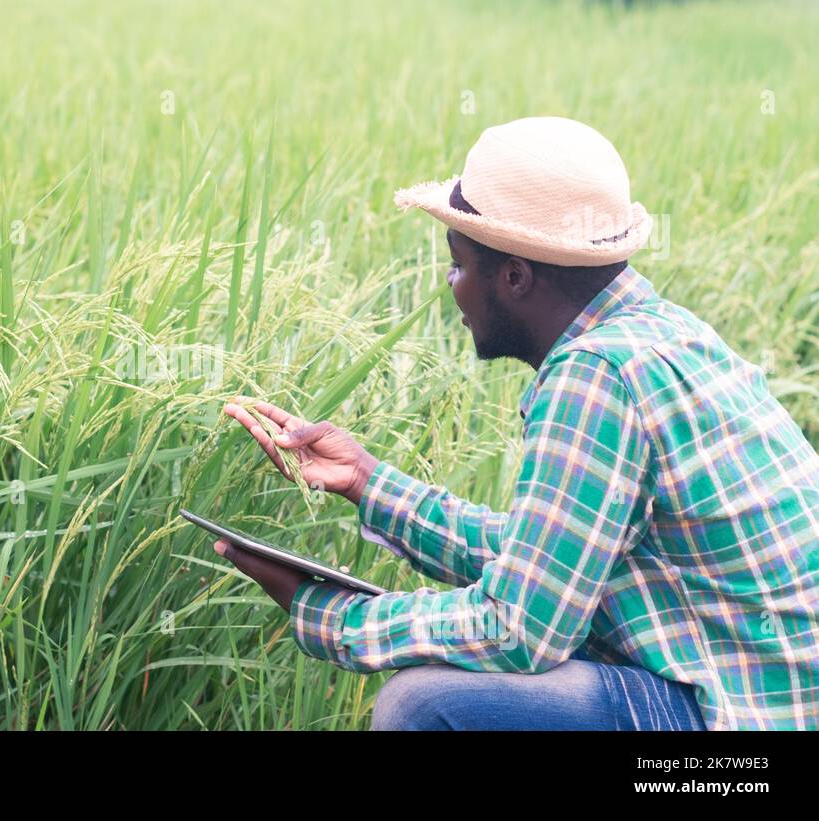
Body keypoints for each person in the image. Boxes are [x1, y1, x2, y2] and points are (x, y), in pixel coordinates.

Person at [214, 116, 819, 730]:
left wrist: (330, 617)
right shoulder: (665, 332)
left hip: (753, 721)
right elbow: (544, 563)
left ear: (514, 277)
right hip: (765, 690)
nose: (450, 283)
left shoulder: (596, 376)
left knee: (427, 704)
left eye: (458, 263)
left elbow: (521, 628)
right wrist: (368, 482)